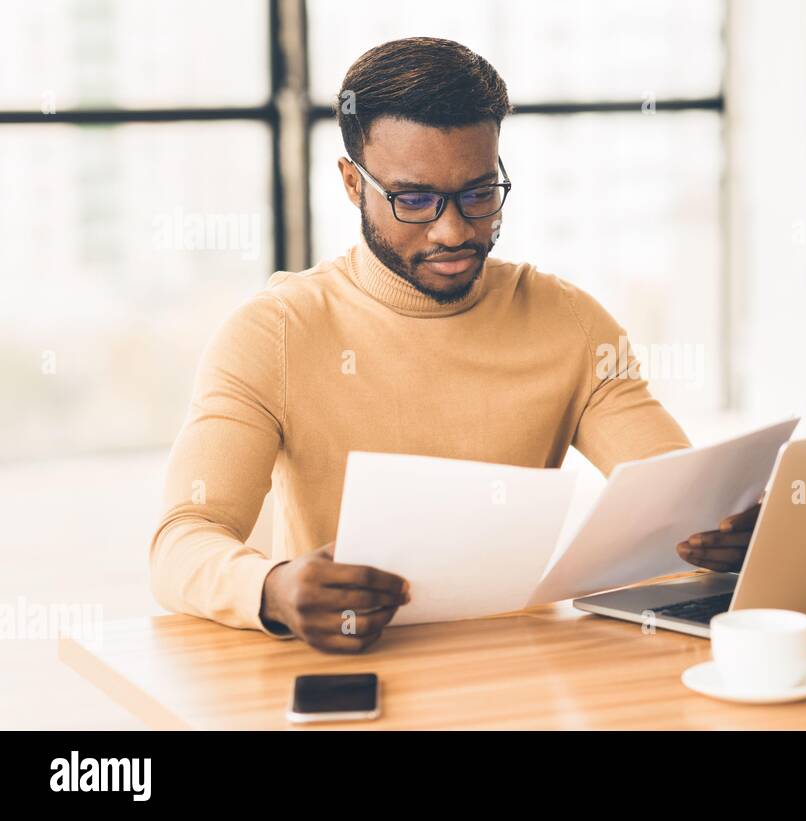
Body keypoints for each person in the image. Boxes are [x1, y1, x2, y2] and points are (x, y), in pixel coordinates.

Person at [149, 37, 757, 653]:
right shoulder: (274, 333)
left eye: (478, 193)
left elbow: (681, 499)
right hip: (357, 663)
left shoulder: (568, 322)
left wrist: (732, 531)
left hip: (522, 661)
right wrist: (273, 588)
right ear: (352, 184)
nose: (454, 230)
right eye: (413, 200)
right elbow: (183, 537)